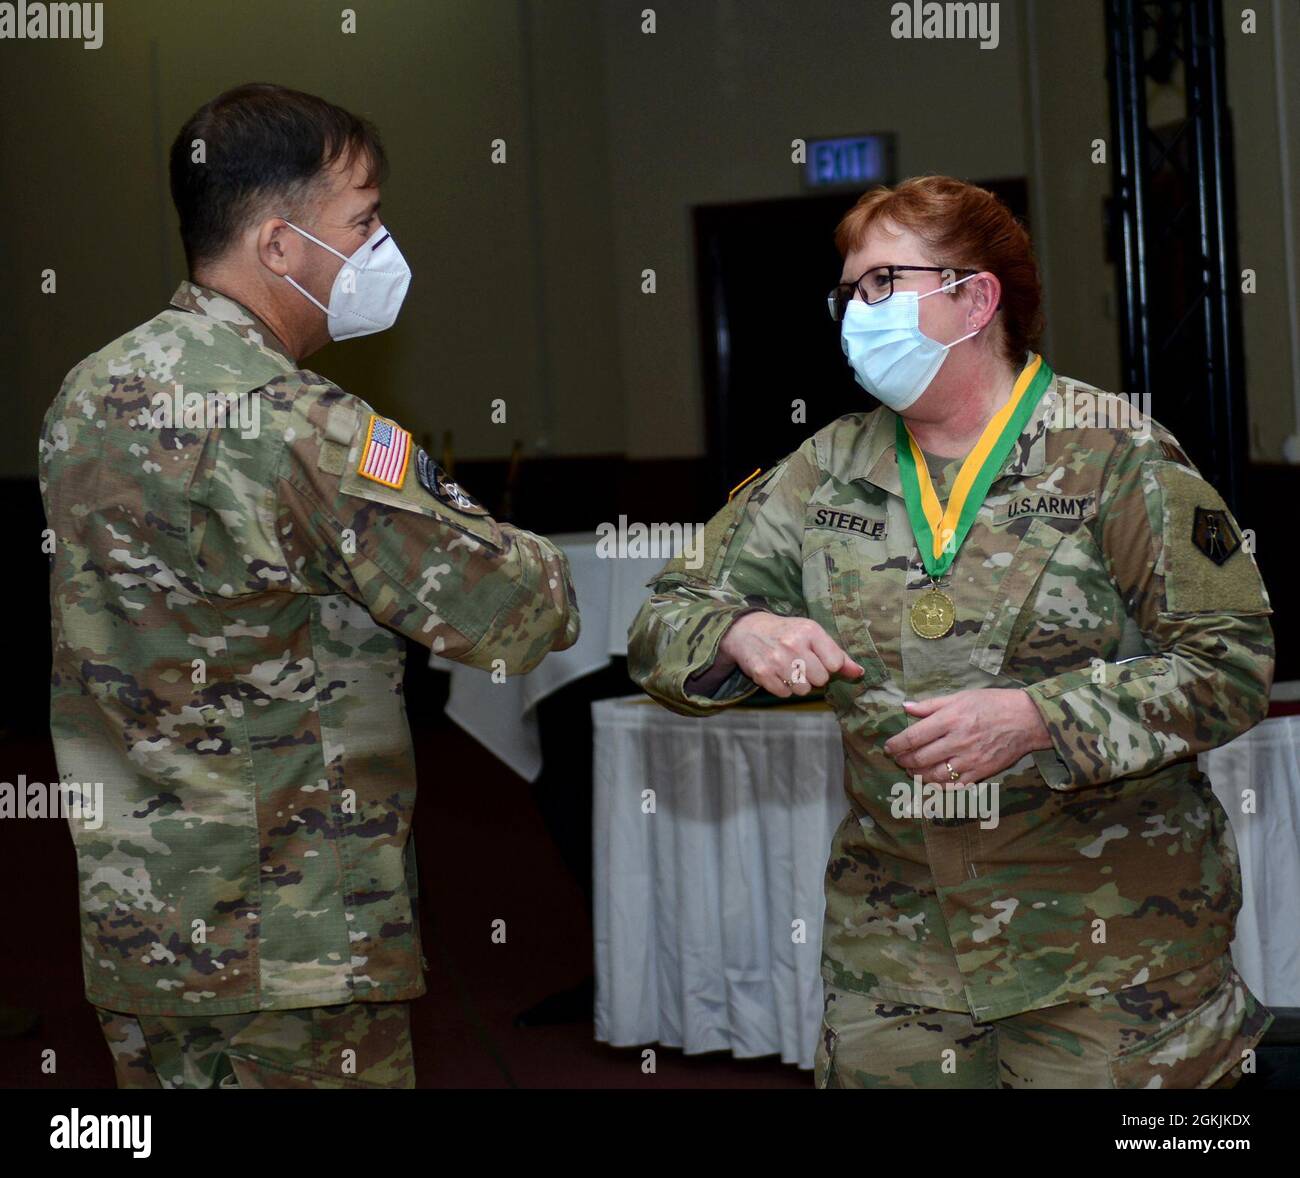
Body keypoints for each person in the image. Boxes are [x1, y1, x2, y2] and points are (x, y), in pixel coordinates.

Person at [628, 175, 1274, 1089]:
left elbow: (1233, 665)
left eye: (885, 284)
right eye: (849, 292)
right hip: (894, 954)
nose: (859, 313)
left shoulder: (1113, 456)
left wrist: (1040, 718)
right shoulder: (828, 466)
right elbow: (663, 619)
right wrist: (741, 633)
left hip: (1106, 951)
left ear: (976, 299)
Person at [39, 83, 579, 1089]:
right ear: (282, 245)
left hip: (137, 919)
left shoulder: (86, 393)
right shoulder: (306, 425)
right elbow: (516, 609)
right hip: (292, 936)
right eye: (364, 221)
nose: (383, 246)